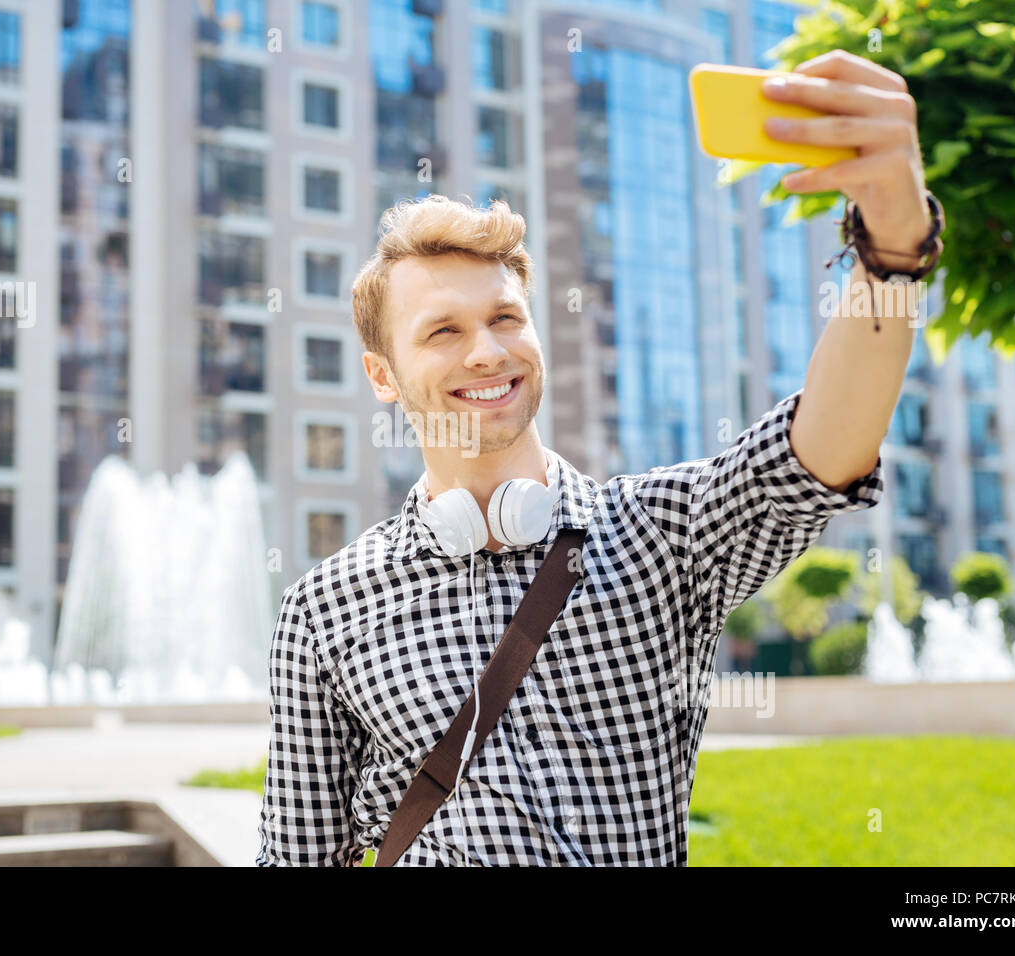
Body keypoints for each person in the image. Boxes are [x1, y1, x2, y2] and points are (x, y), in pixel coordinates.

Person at [258, 50, 938, 866]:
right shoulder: (322, 612)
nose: (487, 352)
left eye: (506, 318)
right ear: (382, 376)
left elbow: (821, 450)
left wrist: (893, 249)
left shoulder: (660, 533)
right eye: (443, 331)